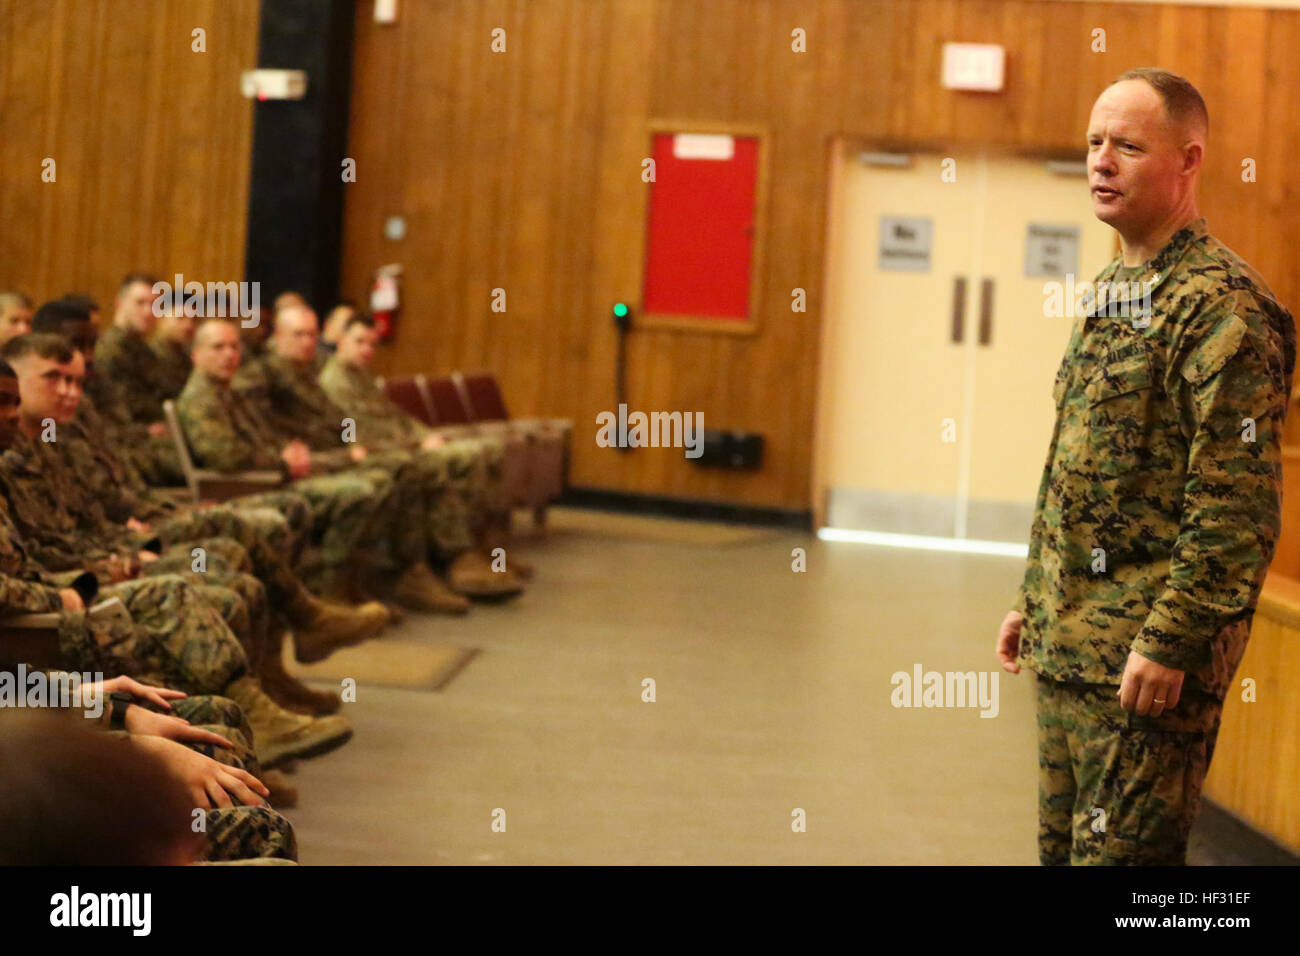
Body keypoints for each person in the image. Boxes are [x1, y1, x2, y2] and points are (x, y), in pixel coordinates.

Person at [995, 67, 1297, 866]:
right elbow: (1074, 461)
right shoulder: (1112, 290)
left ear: (1188, 161)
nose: (1102, 160)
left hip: (1140, 664)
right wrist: (1036, 593)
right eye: (1095, 142)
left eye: (1128, 146)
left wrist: (1171, 639)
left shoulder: (1222, 307)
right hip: (1070, 645)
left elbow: (1233, 510)